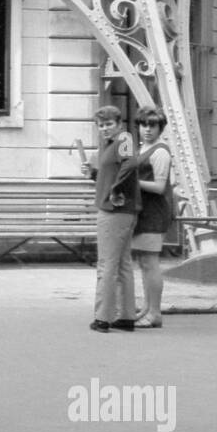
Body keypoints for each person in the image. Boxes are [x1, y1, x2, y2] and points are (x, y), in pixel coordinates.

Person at [83, 105, 141, 332]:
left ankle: (102, 317)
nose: (105, 128)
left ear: (119, 124)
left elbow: (131, 163)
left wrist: (115, 189)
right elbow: (117, 170)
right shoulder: (110, 144)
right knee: (123, 264)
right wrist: (95, 174)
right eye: (101, 125)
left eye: (109, 124)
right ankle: (126, 316)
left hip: (113, 209)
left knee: (106, 264)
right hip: (122, 208)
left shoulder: (124, 138)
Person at [131, 106, 173, 329]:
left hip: (154, 212)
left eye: (152, 125)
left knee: (150, 262)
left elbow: (159, 186)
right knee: (144, 263)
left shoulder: (160, 151)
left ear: (160, 128)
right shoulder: (143, 148)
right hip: (143, 211)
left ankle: (154, 312)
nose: (147, 129)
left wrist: (132, 182)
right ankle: (147, 308)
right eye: (143, 125)